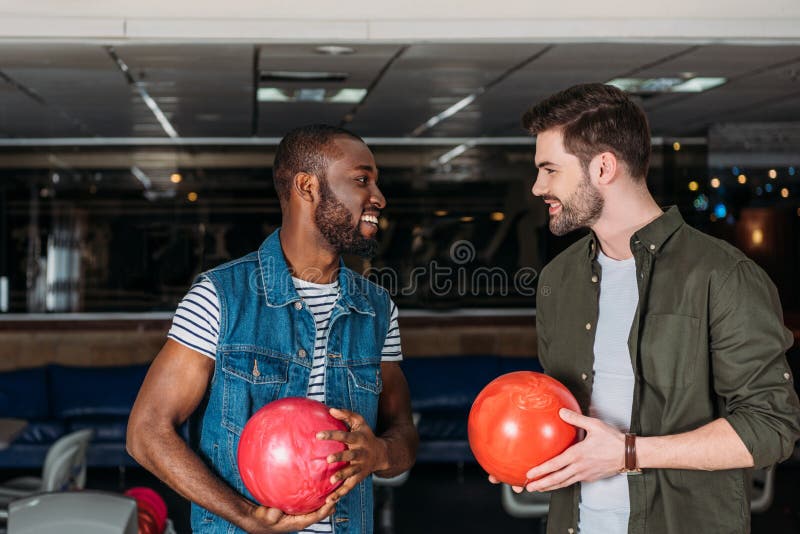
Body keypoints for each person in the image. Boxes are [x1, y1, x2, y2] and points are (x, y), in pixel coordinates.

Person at [490, 83, 800, 534]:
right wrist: (523, 454)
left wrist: (630, 453)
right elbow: (566, 415)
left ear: (603, 167)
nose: (538, 187)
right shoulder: (559, 279)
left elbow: (771, 427)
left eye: (550, 170)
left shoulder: (722, 275)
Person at [127, 124, 418, 534]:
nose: (379, 197)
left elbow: (404, 435)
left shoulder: (376, 309)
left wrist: (380, 454)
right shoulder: (220, 297)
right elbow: (146, 432)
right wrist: (245, 515)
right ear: (307, 186)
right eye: (361, 180)